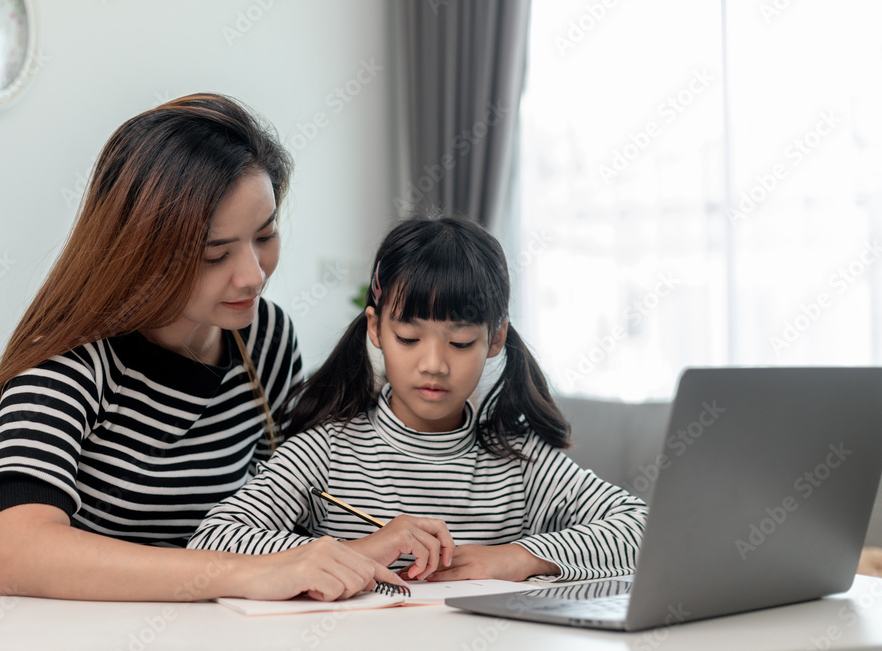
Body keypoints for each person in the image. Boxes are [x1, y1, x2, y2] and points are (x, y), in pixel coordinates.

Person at [0, 93, 403, 602]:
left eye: (265, 235)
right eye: (215, 254)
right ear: (143, 249)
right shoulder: (70, 362)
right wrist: (250, 573)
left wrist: (359, 550)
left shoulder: (267, 340)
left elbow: (265, 513)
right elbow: (19, 557)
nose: (253, 275)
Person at [188, 216, 648, 583]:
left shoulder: (520, 462)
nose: (434, 364)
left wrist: (520, 556)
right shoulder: (325, 453)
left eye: (460, 343)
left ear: (495, 338)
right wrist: (356, 552)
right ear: (375, 329)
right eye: (409, 338)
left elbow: (644, 528)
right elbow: (212, 542)